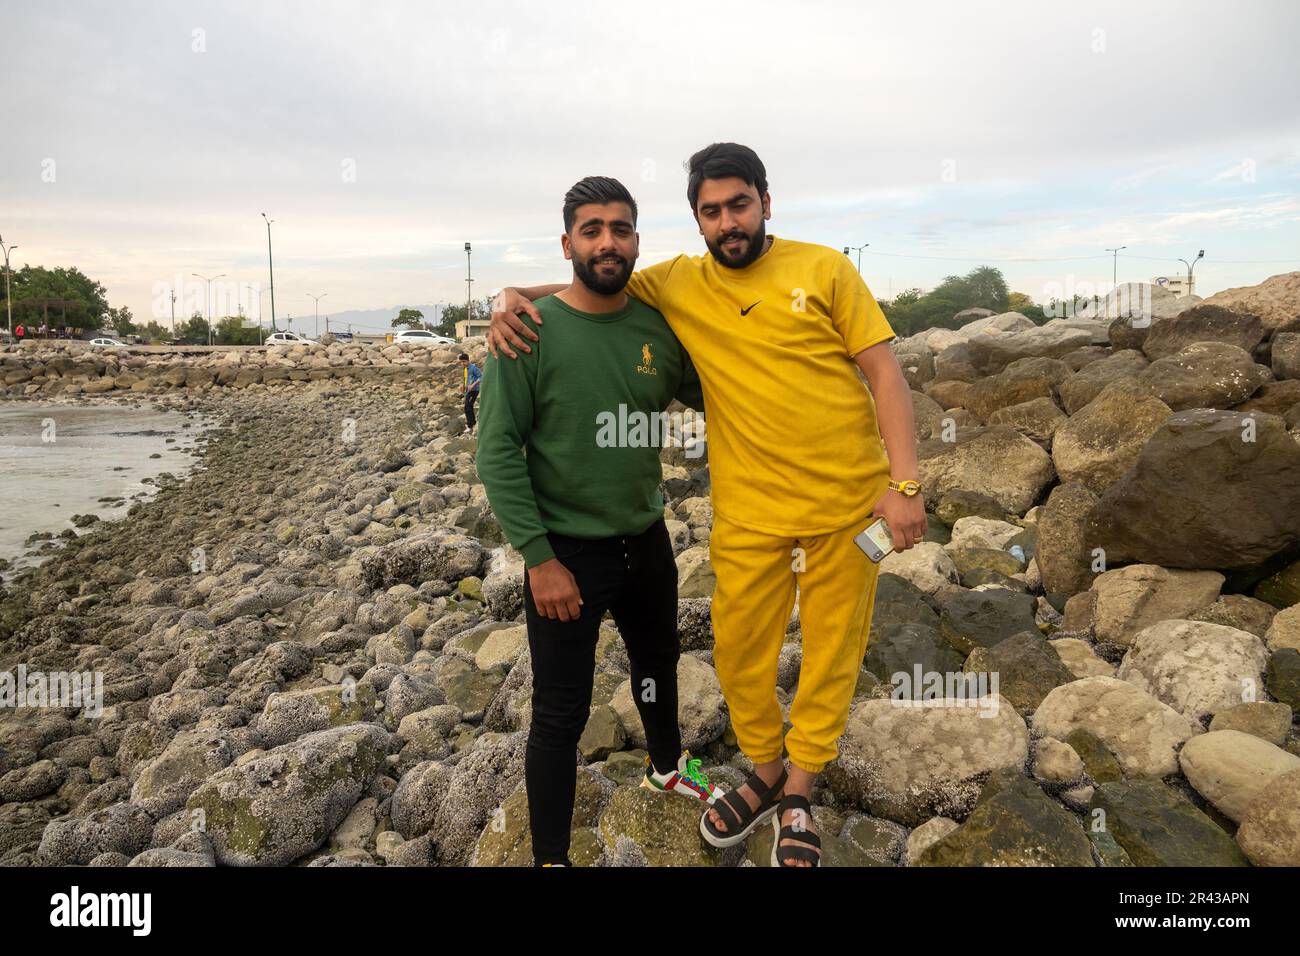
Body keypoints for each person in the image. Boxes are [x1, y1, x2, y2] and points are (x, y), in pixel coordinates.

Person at [488, 143, 927, 867]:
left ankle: (794, 792)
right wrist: (508, 296)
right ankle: (748, 775)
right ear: (696, 220)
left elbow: (882, 372)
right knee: (731, 655)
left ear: (765, 201)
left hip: (842, 512)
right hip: (720, 523)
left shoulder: (821, 269)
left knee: (822, 655)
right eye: (711, 211)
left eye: (739, 205)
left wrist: (905, 485)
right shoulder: (658, 290)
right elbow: (589, 294)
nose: (728, 222)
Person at [474, 175, 722, 868]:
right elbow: (496, 451)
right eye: (592, 230)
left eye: (620, 228)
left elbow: (724, 393)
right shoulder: (528, 330)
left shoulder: (656, 327)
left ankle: (666, 766)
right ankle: (551, 858)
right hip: (566, 557)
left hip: (644, 540)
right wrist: (538, 557)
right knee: (560, 714)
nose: (607, 242)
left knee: (658, 664)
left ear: (636, 239)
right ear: (567, 244)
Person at [457, 352, 481, 433]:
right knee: (468, 407)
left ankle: (470, 425)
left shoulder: (473, 368)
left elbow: (481, 376)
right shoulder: (465, 369)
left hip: (474, 390)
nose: (462, 363)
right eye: (461, 362)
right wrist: (462, 386)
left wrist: (473, 385)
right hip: (468, 391)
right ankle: (472, 423)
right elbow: (465, 379)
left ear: (468, 361)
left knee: (468, 406)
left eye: (464, 361)